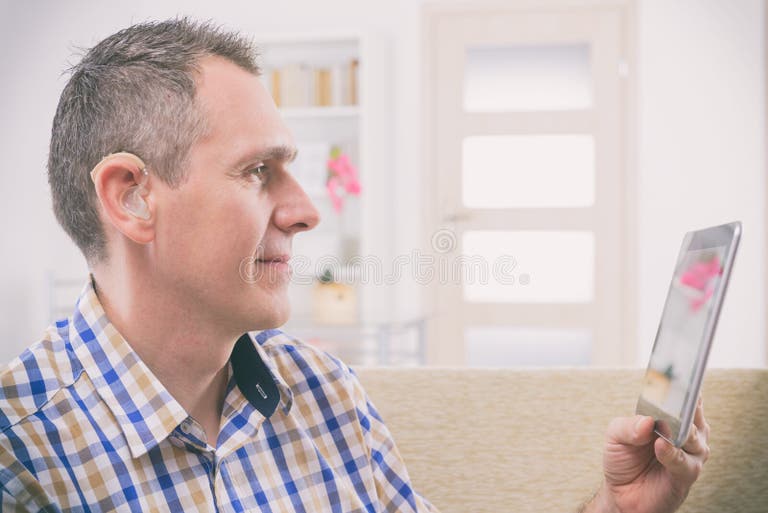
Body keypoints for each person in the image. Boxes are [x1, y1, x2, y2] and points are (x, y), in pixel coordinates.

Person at [0, 18, 709, 513]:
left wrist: (619, 507)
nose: (306, 210)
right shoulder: (20, 458)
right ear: (132, 197)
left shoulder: (325, 393)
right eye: (256, 170)